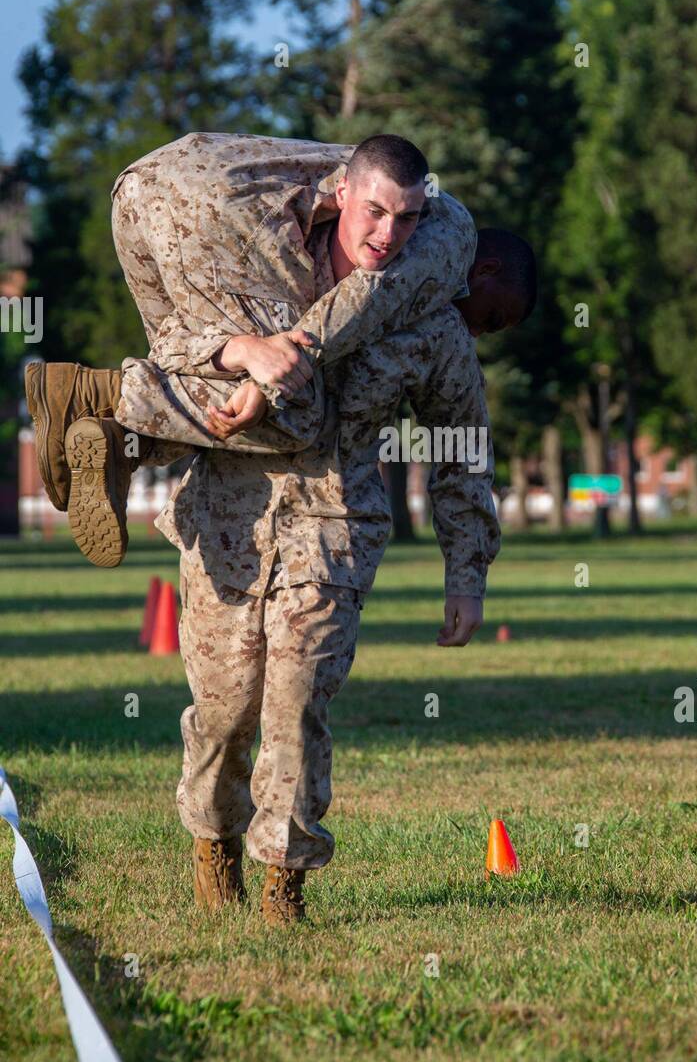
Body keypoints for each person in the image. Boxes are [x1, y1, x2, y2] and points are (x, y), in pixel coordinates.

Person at [25, 129, 537, 924]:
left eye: (404, 225)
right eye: (492, 316)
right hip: (227, 509)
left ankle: (283, 886)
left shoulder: (437, 334)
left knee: (297, 704)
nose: (386, 239)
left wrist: (467, 574)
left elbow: (462, 454)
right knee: (224, 712)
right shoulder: (273, 269)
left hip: (334, 525)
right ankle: (211, 845)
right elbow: (184, 345)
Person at [25, 132, 475, 566]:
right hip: (202, 213)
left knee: (186, 368)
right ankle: (95, 391)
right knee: (297, 408)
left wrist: (244, 354)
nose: (475, 330)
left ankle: (120, 444)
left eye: (402, 219)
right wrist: (268, 374)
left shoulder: (380, 183)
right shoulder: (448, 238)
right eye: (494, 318)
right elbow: (357, 306)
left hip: (141, 182)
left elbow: (176, 353)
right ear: (488, 270)